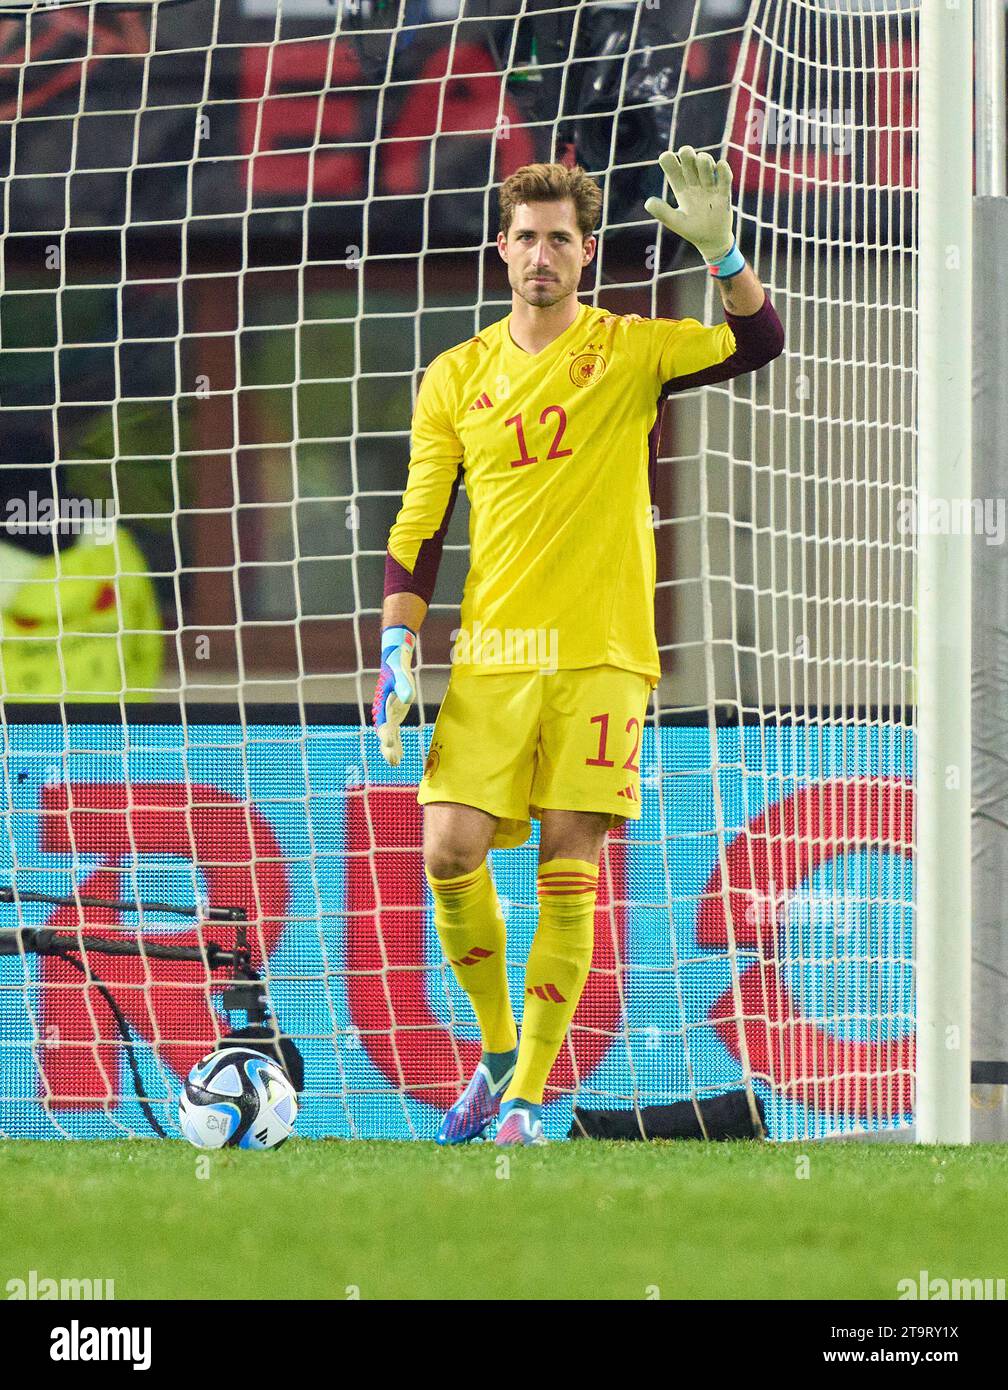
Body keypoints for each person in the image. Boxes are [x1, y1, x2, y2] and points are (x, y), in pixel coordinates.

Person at [373, 147, 784, 1145]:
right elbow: (420, 527)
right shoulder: (455, 378)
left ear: (586, 252)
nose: (543, 253)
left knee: (569, 866)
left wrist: (724, 252)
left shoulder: (633, 348)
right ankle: (500, 1048)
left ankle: (524, 1102)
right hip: (495, 657)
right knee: (447, 849)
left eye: (561, 237)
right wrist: (396, 646)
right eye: (527, 237)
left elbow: (757, 340)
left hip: (603, 653)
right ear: (501, 250)